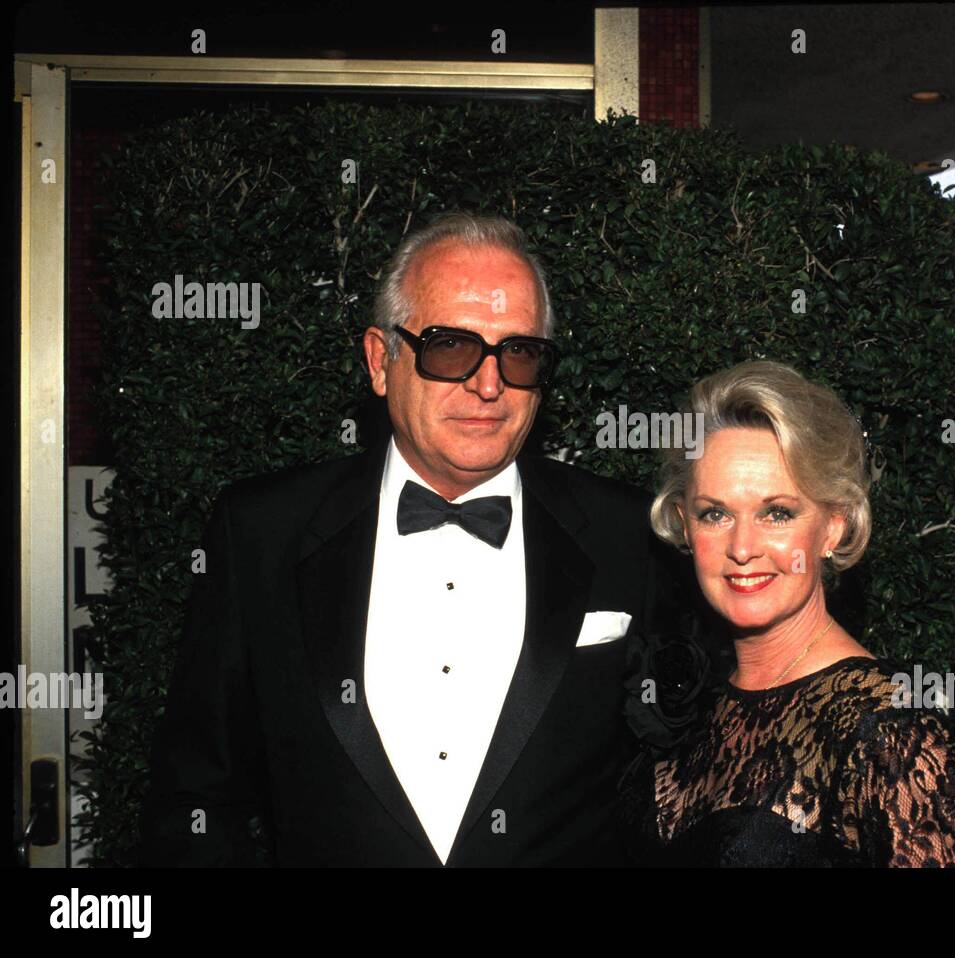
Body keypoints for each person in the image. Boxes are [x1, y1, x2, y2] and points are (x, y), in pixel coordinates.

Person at [140, 212, 689, 866]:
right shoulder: (260, 533)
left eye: (519, 353)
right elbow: (197, 796)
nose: (489, 385)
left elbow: (683, 778)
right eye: (450, 347)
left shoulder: (629, 534)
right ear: (381, 361)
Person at [619, 360, 955, 866]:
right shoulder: (698, 693)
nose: (743, 548)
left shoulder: (888, 731)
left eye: (777, 513)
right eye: (716, 513)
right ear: (685, 525)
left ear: (834, 526)